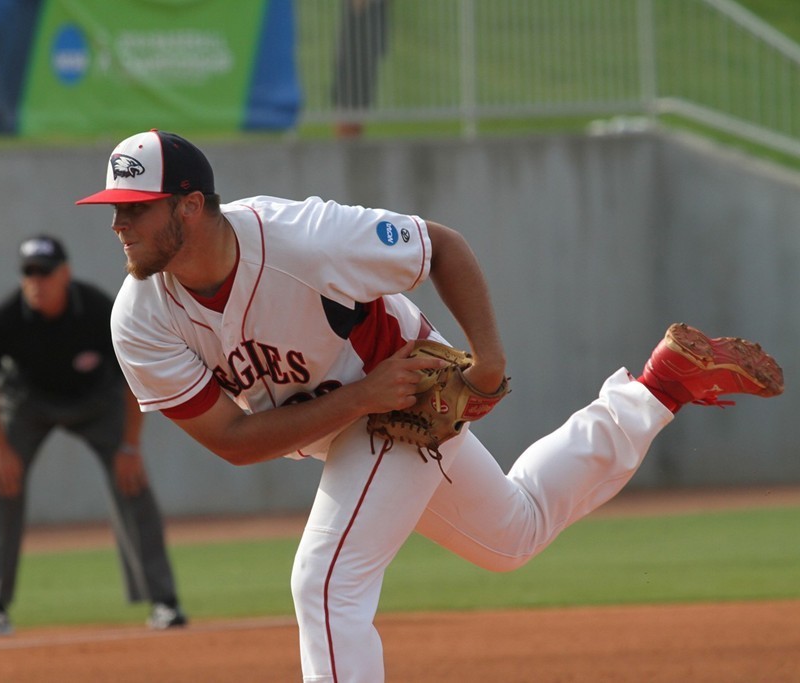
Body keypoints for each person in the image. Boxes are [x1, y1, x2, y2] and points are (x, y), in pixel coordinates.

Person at [75, 130, 783, 682]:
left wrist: (489, 359)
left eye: (134, 210)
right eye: (114, 212)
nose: (118, 227)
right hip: (355, 402)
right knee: (513, 533)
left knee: (324, 581)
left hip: (403, 388)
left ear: (190, 206)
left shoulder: (301, 239)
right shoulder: (140, 318)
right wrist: (355, 397)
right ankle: (660, 386)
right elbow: (231, 437)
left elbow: (440, 245)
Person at [0, 234, 186, 636]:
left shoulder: (98, 310)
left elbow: (134, 379)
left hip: (97, 400)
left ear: (65, 274)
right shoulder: (6, 319)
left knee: (132, 481)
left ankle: (164, 602)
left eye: (46, 273)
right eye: (29, 273)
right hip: (29, 401)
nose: (37, 282)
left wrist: (129, 446)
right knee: (3, 484)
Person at [331, 0, 389, 138]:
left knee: (354, 101)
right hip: (357, 44)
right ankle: (348, 145)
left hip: (362, 44)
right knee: (350, 101)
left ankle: (350, 146)